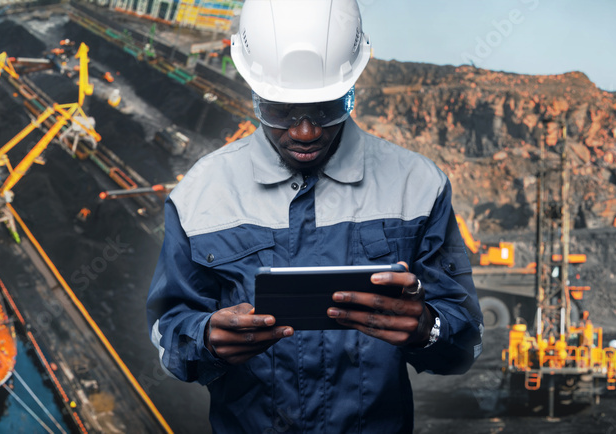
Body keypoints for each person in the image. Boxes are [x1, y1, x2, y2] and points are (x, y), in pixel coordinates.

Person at [146, 0, 483, 431]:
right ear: (254, 95)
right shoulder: (200, 194)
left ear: (351, 89)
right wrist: (205, 338)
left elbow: (467, 341)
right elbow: (168, 330)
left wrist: (428, 329)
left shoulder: (418, 187)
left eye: (326, 108)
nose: (305, 132)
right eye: (281, 111)